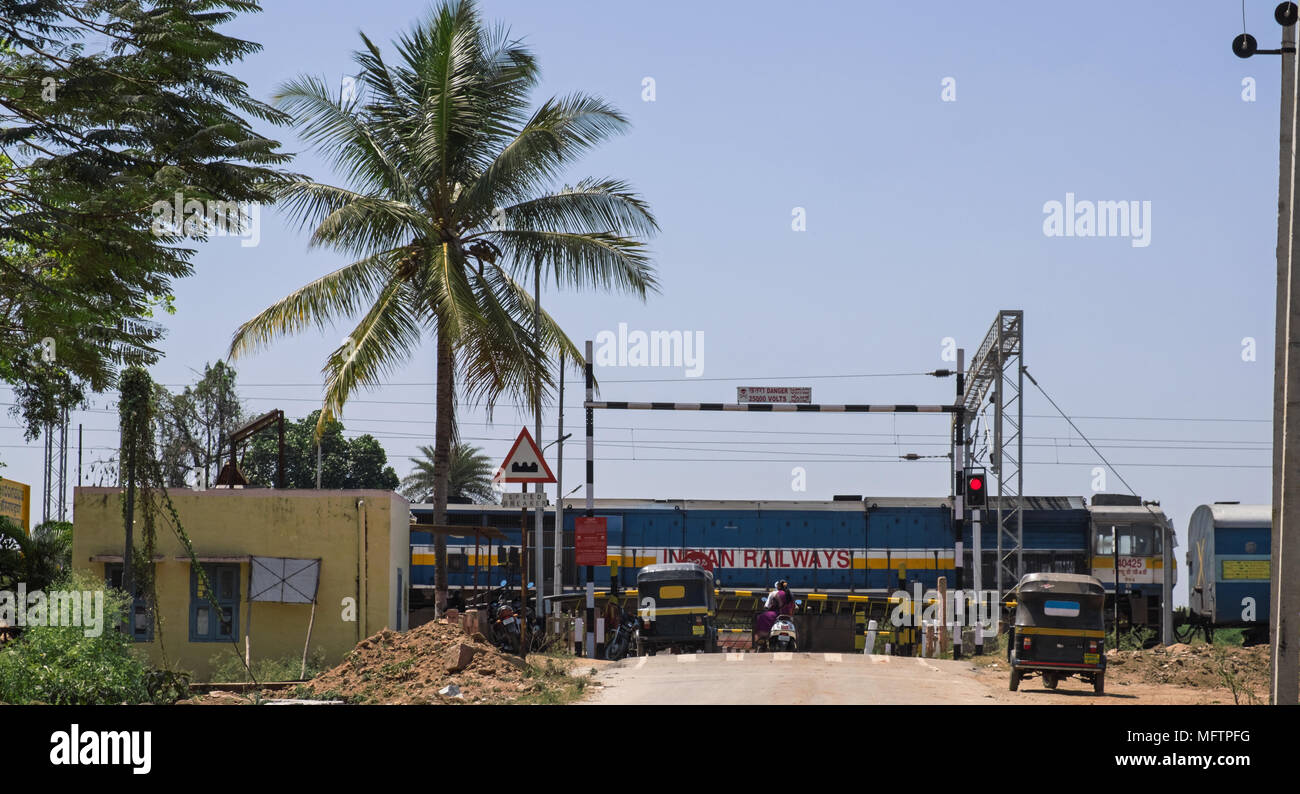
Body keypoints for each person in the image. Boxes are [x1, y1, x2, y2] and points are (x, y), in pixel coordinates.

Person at [754, 580, 794, 647]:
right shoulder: (791, 594)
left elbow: (767, 606)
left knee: (761, 617)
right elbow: (794, 607)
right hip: (788, 616)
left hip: (777, 614)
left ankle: (762, 638)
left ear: (778, 586)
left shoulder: (774, 593)